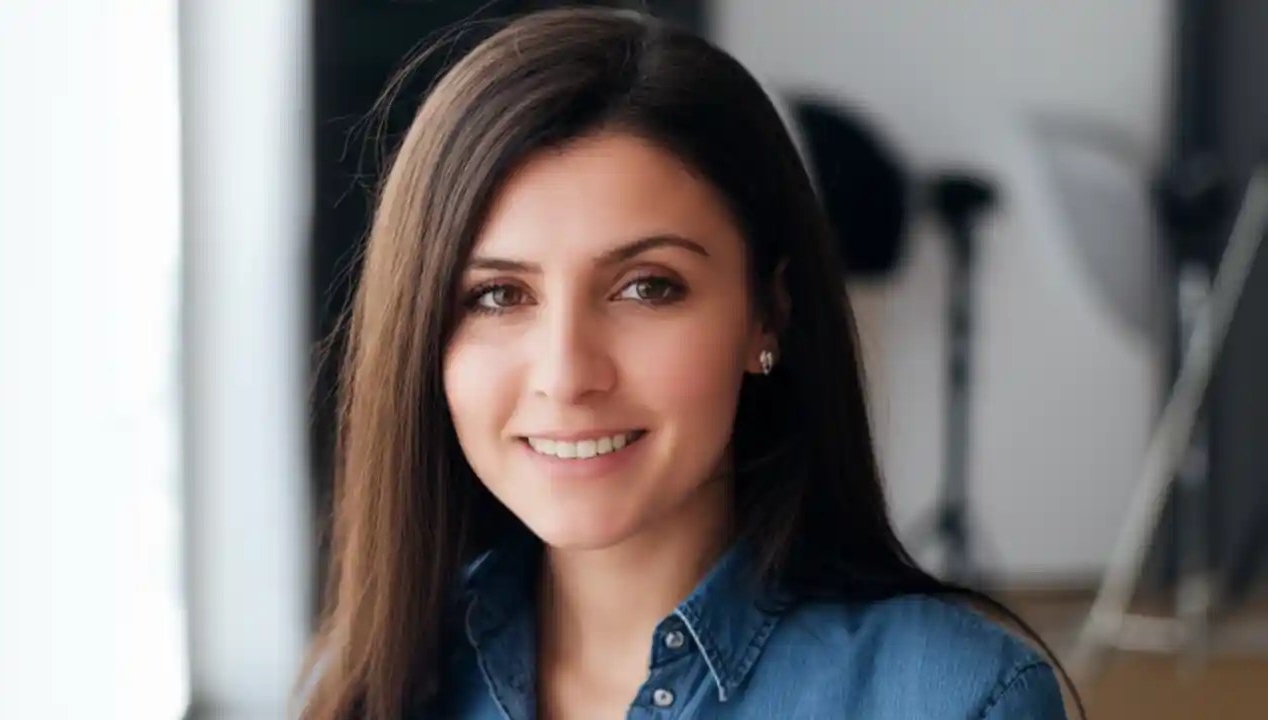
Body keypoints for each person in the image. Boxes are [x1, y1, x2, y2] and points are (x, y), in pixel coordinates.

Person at [299, 7, 1076, 719]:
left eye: (646, 287)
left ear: (766, 312)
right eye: (499, 296)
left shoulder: (957, 701)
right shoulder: (371, 687)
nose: (567, 374)